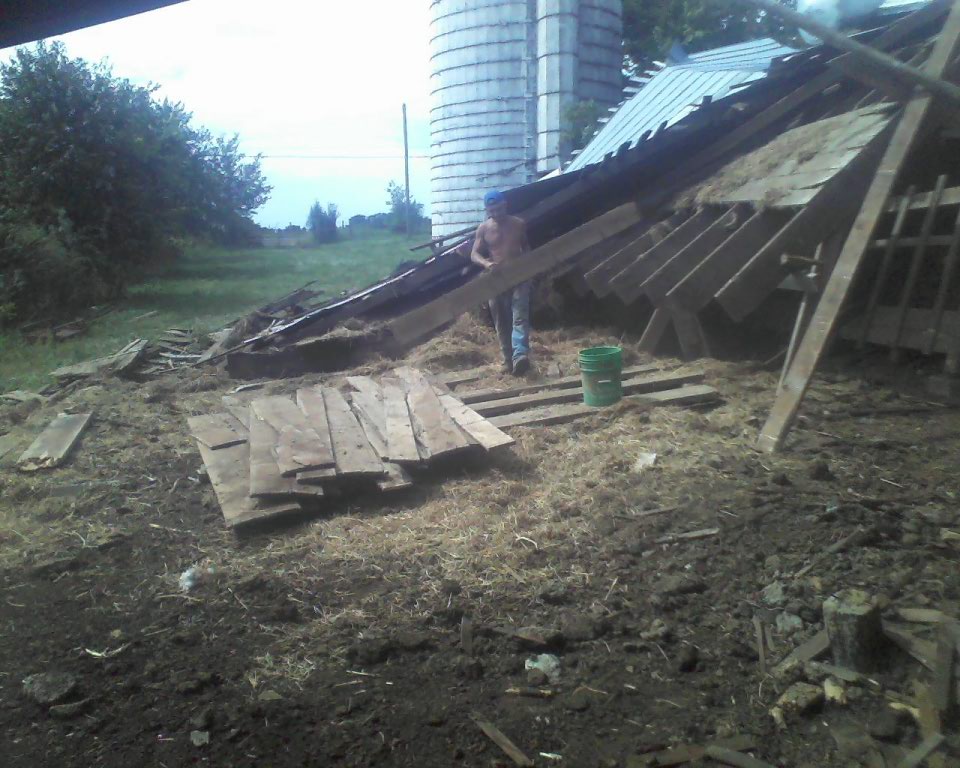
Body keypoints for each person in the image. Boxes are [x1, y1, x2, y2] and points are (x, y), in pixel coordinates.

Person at [470, 190, 532, 375]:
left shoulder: (518, 224)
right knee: (501, 321)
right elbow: (474, 254)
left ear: (505, 205)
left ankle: (520, 355)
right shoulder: (484, 228)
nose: (496, 214)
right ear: (487, 210)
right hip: (495, 280)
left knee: (519, 315)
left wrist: (529, 266)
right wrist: (486, 263)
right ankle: (507, 360)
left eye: (499, 209)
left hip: (519, 276)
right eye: (492, 211)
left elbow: (526, 246)